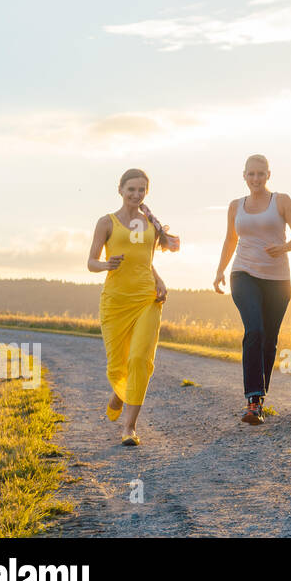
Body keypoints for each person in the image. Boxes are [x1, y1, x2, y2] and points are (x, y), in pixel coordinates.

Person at [86, 168, 179, 446]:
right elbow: (91, 262)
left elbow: (145, 261)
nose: (136, 195)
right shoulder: (107, 222)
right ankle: (119, 391)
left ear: (146, 193)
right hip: (115, 301)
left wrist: (159, 279)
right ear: (121, 190)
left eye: (141, 190)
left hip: (146, 299)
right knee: (118, 365)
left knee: (140, 360)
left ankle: (130, 428)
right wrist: (105, 264)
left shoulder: (150, 224)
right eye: (131, 190)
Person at [213, 154, 291, 425]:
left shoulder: (282, 201)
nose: (255, 179)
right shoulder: (235, 206)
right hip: (243, 273)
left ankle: (260, 398)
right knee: (254, 329)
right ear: (244, 175)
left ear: (268, 175)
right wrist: (220, 270)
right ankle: (253, 401)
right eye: (251, 174)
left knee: (269, 339)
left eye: (260, 174)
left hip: (278, 279)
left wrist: (284, 247)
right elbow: (231, 239)